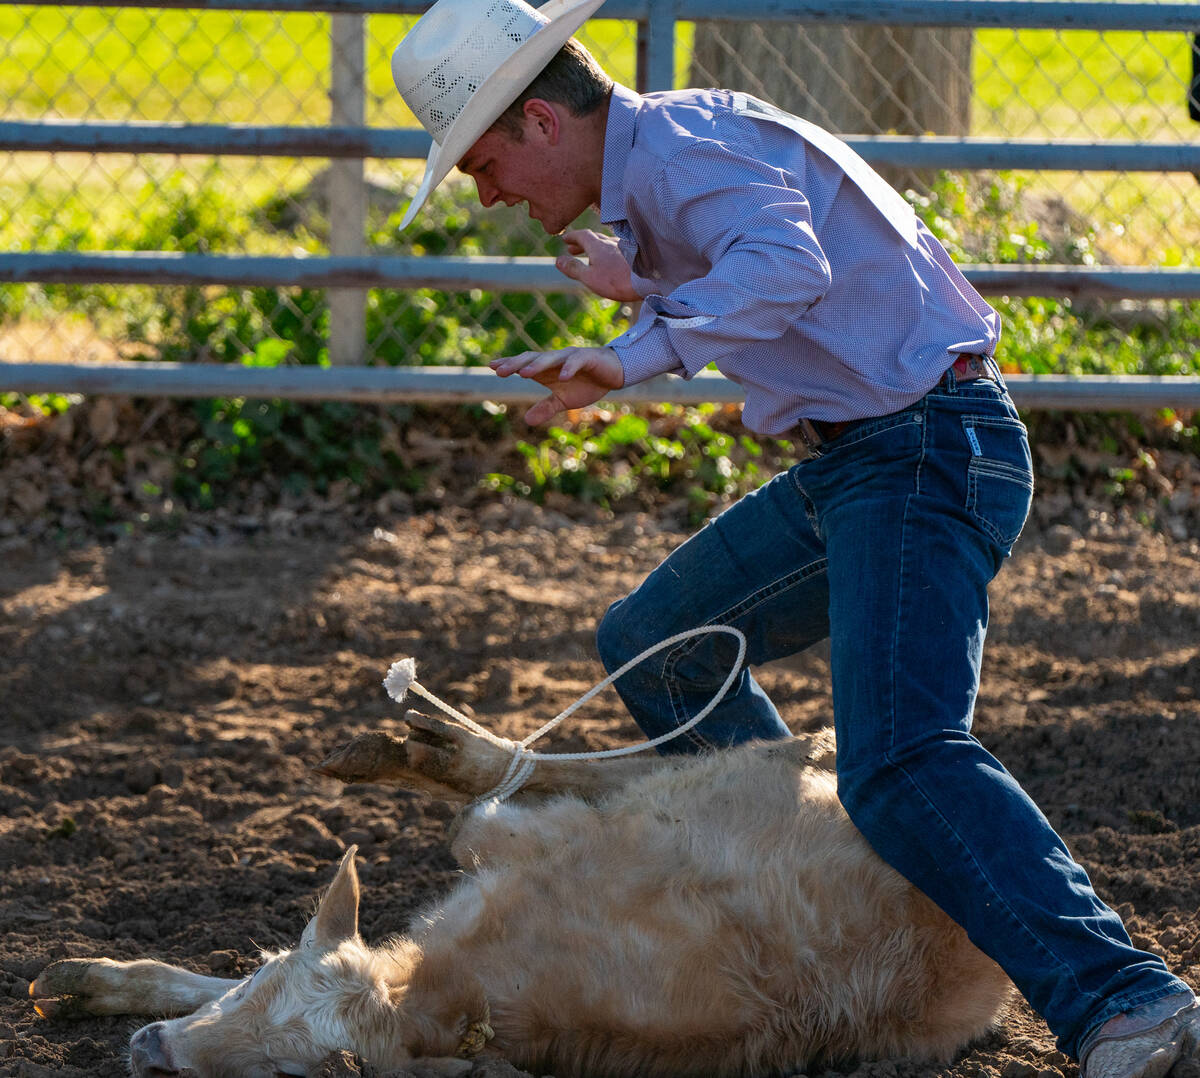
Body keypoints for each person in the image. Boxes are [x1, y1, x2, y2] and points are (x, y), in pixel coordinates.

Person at [389, 2, 1200, 1075]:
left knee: (902, 757)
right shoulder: (678, 154)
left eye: (485, 164)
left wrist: (636, 354)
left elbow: (788, 266)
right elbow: (776, 267)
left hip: (917, 450)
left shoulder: (678, 156)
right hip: (884, 453)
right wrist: (639, 305)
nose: (489, 194)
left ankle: (1128, 1000)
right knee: (661, 644)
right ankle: (815, 885)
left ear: (541, 122)